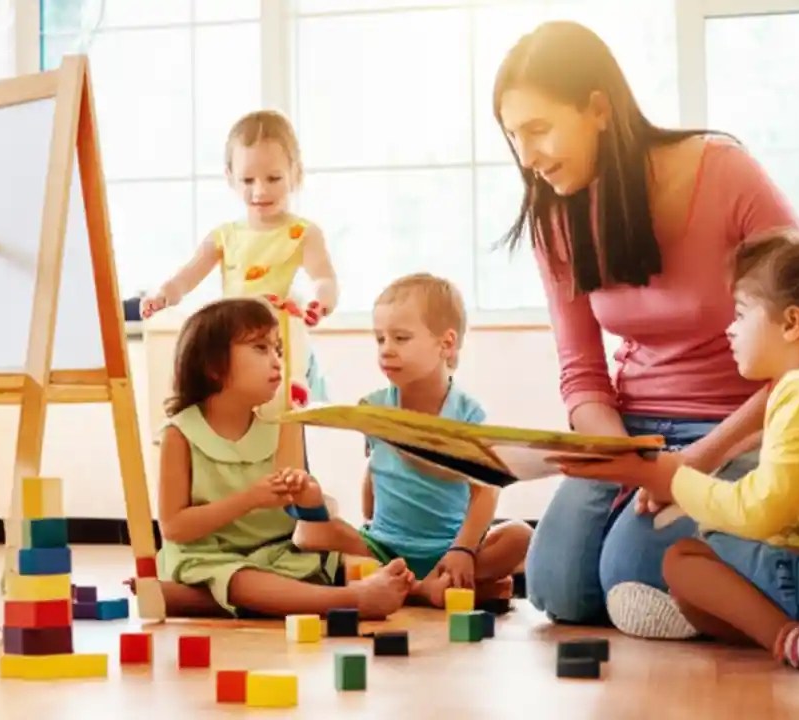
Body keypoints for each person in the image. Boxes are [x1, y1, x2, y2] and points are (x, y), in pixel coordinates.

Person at [491, 20, 799, 631]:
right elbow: (583, 373)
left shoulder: (726, 175)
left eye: (538, 129)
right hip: (634, 433)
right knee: (556, 589)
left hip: (737, 431)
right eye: (514, 135)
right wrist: (626, 458)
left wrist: (697, 460)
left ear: (597, 107)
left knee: (629, 569)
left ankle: (788, 567)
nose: (526, 156)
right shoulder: (556, 217)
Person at [557, 228, 799, 678]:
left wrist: (672, 478)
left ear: (792, 323)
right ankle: (779, 630)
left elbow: (760, 512)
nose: (729, 330)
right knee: (711, 568)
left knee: (684, 561)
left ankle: (792, 641)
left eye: (740, 314)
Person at [155, 297, 415, 619]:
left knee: (347, 561)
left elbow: (300, 519)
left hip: (279, 552)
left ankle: (422, 588)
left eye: (277, 349)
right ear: (213, 366)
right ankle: (351, 601)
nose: (277, 360)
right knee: (242, 580)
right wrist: (249, 499)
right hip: (210, 558)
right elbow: (174, 527)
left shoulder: (285, 424)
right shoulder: (179, 434)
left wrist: (309, 498)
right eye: (260, 349)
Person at [294, 273, 532, 607]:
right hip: (386, 547)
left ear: (445, 344)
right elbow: (374, 474)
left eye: (401, 338)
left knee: (519, 536)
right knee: (310, 532)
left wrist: (463, 549)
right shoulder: (373, 408)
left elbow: (485, 490)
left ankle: (426, 583)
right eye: (380, 339)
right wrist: (369, 519)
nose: (386, 350)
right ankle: (436, 589)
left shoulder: (467, 414)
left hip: (447, 549)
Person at [140, 109, 337, 409]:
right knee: (205, 331)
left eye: (273, 178)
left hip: (275, 331)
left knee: (288, 317)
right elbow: (188, 276)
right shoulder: (224, 236)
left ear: (295, 173)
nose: (260, 190)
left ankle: (293, 382)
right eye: (247, 180)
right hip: (235, 331)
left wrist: (320, 303)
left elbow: (324, 277)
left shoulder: (302, 233)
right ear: (230, 177)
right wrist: (164, 295)